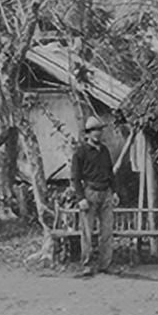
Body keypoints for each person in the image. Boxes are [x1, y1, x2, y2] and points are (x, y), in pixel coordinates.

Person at [70, 116, 119, 277]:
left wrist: (115, 191)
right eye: (93, 131)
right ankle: (87, 264)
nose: (97, 133)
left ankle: (106, 264)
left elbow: (110, 173)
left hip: (106, 193)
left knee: (107, 231)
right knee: (87, 232)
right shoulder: (80, 152)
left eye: (99, 130)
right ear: (88, 134)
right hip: (89, 193)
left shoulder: (104, 150)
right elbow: (75, 178)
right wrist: (81, 198)